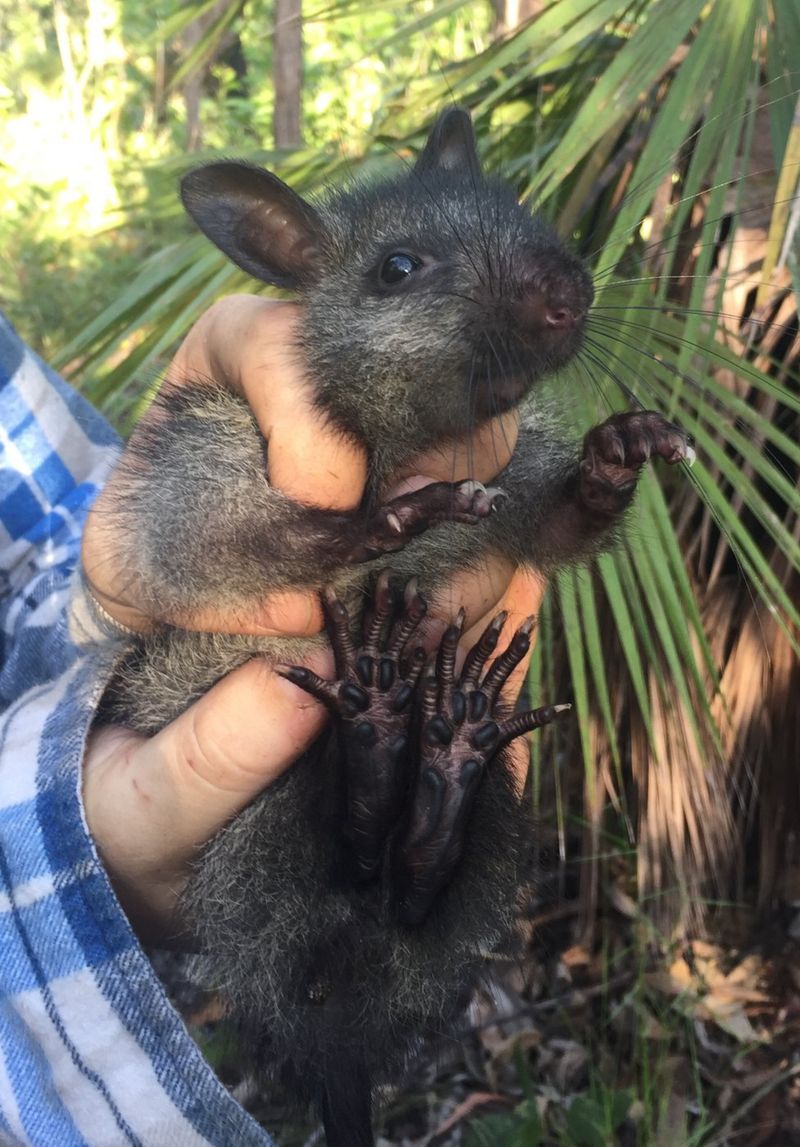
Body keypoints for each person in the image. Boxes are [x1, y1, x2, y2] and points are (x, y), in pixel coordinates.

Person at [0, 296, 543, 1145]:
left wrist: (110, 587)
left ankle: (406, 797)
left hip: (255, 719)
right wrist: (54, 835)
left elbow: (44, 545)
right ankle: (411, 797)